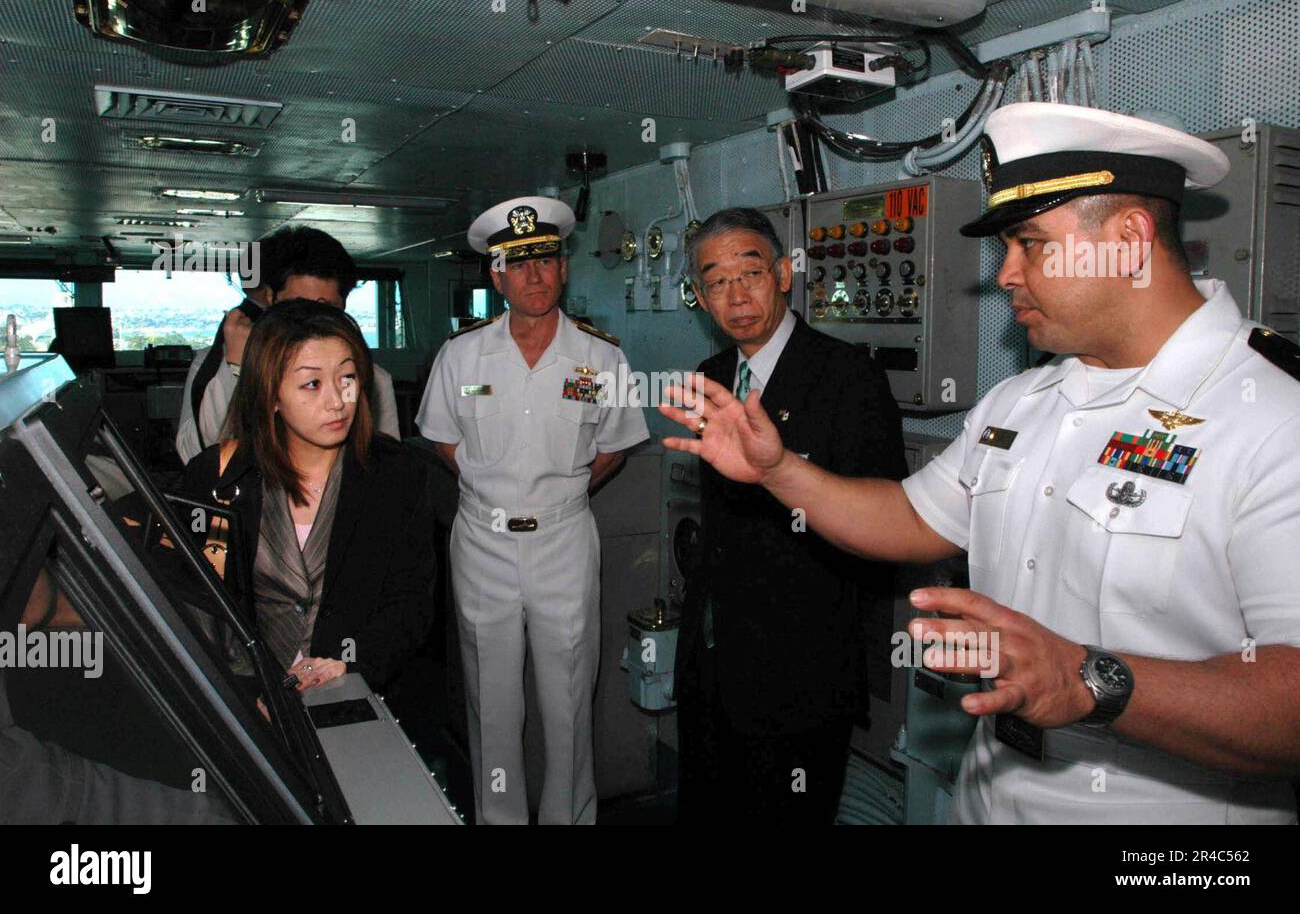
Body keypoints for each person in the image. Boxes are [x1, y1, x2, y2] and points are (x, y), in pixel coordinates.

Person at [659, 102, 1300, 824]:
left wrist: (1092, 681)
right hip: (991, 794)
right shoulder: (1017, 403)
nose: (1006, 276)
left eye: (1029, 244)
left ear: (1127, 239)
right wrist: (779, 471)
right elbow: (906, 517)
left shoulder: (1273, 415)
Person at [414, 196, 649, 824]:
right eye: (519, 264)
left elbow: (617, 445)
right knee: (491, 702)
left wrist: (559, 493)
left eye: (545, 259)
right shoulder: (461, 356)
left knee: (569, 696)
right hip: (483, 543)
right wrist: (490, 485)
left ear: (564, 268)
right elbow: (440, 435)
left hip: (564, 542)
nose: (535, 274)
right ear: (497, 274)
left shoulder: (602, 358)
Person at [675, 207, 907, 823]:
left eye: (750, 272)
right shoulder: (711, 377)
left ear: (782, 273)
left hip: (799, 668)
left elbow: (884, 519)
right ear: (700, 297)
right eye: (716, 281)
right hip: (713, 659)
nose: (736, 294)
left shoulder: (846, 375)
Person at [182, 299, 436, 694]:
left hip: (348, 688)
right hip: (242, 693)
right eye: (312, 384)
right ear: (271, 395)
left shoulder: (396, 474)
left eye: (347, 379)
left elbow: (410, 601)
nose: (337, 401)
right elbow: (195, 603)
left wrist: (351, 665)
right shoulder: (218, 476)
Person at [176, 226, 400, 464]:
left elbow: (385, 463)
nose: (312, 322)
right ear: (271, 298)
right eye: (298, 306)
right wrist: (238, 369)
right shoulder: (216, 365)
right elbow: (197, 454)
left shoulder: (367, 378)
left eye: (327, 310)